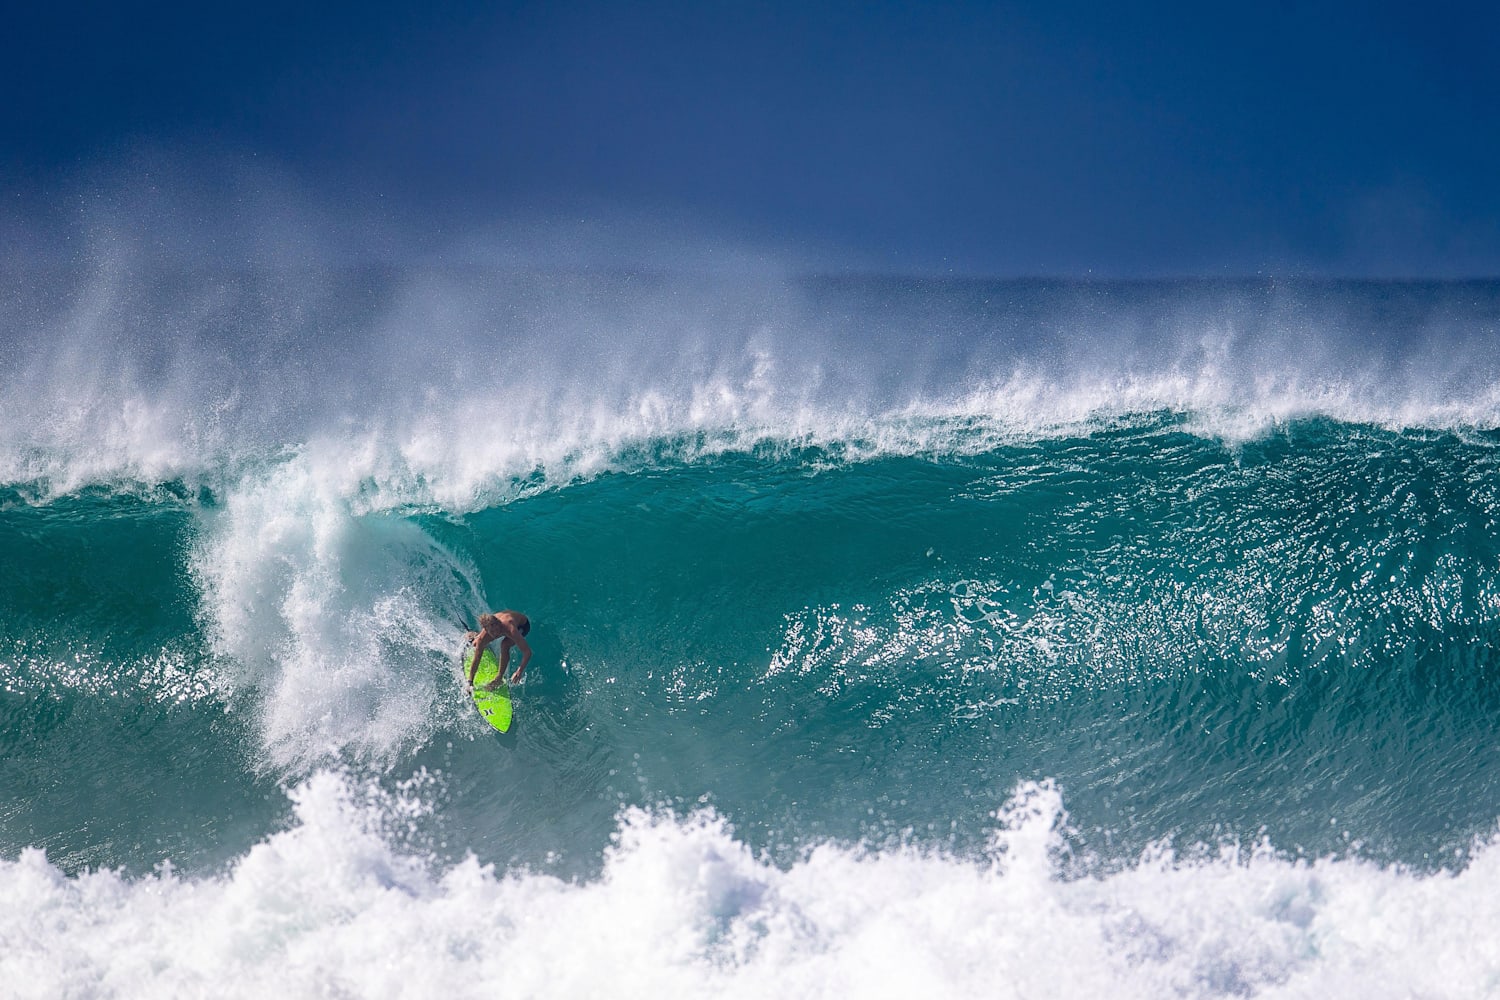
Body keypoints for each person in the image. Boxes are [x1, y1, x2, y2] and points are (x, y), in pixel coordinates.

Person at [465, 610, 533, 691]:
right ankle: (476, 635)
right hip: (497, 625)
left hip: (522, 626)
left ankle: (499, 679)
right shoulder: (488, 631)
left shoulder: (510, 629)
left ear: (498, 624)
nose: (495, 634)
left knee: (505, 644)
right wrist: (470, 681)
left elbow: (527, 652)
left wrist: (519, 671)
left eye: (496, 630)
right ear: (486, 630)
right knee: (477, 643)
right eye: (492, 632)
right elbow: (477, 658)